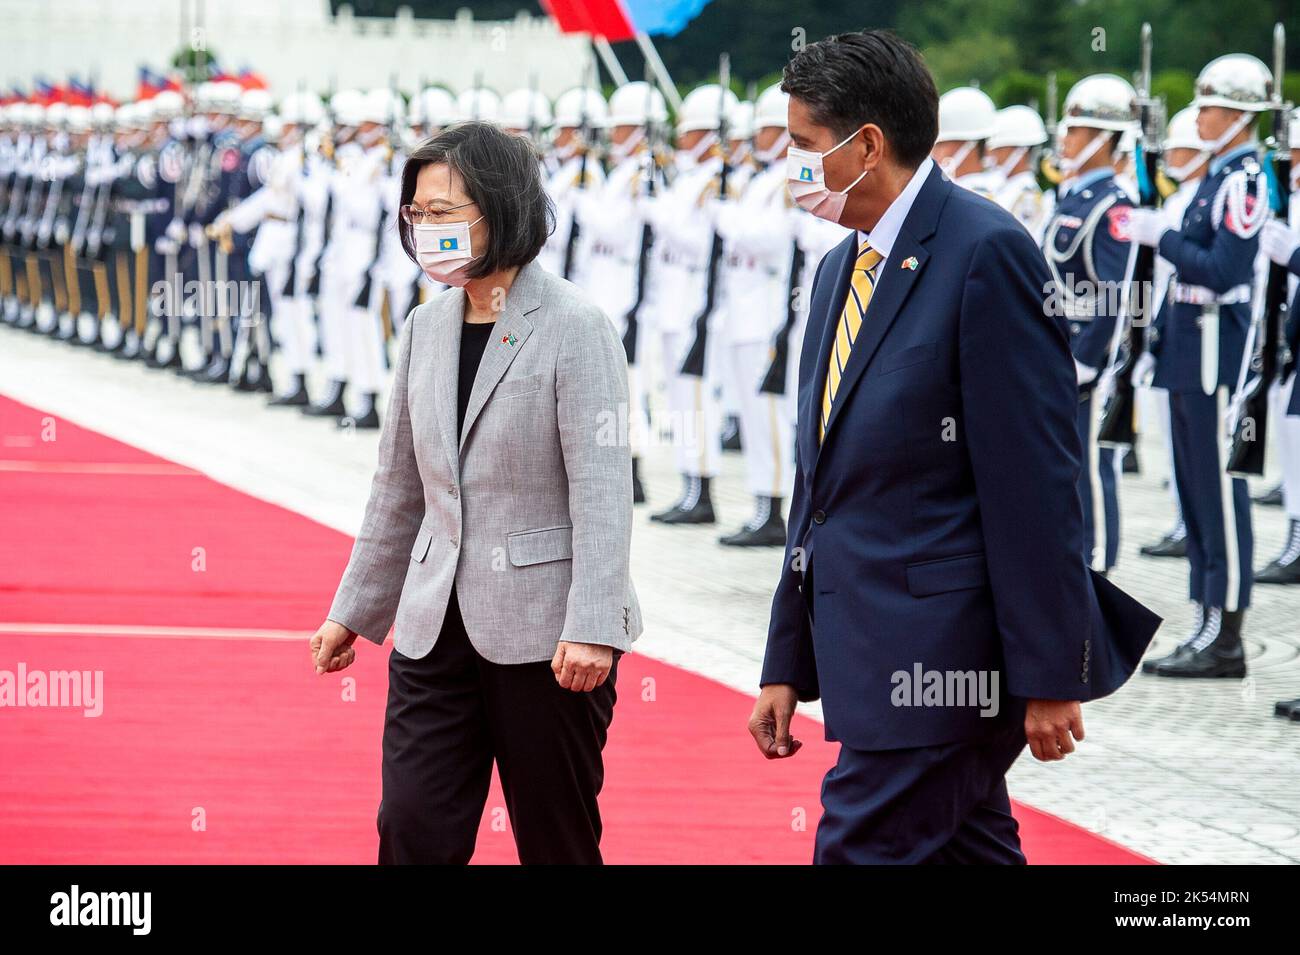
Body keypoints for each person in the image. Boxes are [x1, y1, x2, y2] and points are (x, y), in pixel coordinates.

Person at [748, 29, 1159, 865]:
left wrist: (1053, 670)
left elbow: (1036, 482)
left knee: (859, 850)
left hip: (943, 665)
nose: (788, 168)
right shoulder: (839, 269)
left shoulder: (985, 252)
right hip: (868, 654)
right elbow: (819, 488)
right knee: (969, 851)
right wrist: (786, 657)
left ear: (867, 145)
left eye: (802, 147)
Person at [309, 121, 642, 865]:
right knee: (411, 826)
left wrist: (593, 621)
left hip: (547, 639)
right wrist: (353, 610)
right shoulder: (427, 326)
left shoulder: (575, 327)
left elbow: (601, 488)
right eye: (418, 214)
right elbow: (398, 485)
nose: (428, 229)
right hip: (433, 629)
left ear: (503, 207)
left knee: (555, 840)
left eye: (446, 212)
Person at [1130, 53, 1271, 679]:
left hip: (1217, 355)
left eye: (1211, 106)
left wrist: (1161, 235)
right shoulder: (1216, 178)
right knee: (1195, 495)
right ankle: (1205, 622)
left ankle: (1227, 635)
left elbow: (1224, 271)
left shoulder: (1243, 182)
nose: (1201, 116)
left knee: (1219, 498)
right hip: (1190, 349)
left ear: (1239, 116)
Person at [1043, 74, 1138, 575]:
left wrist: (1088, 361)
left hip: (1089, 365)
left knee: (1093, 469)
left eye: (1077, 131)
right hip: (1062, 356)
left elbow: (1117, 294)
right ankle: (1073, 565)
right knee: (1067, 467)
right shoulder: (1075, 197)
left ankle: (1096, 572)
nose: (1066, 139)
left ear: (1104, 139)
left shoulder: (1114, 206)